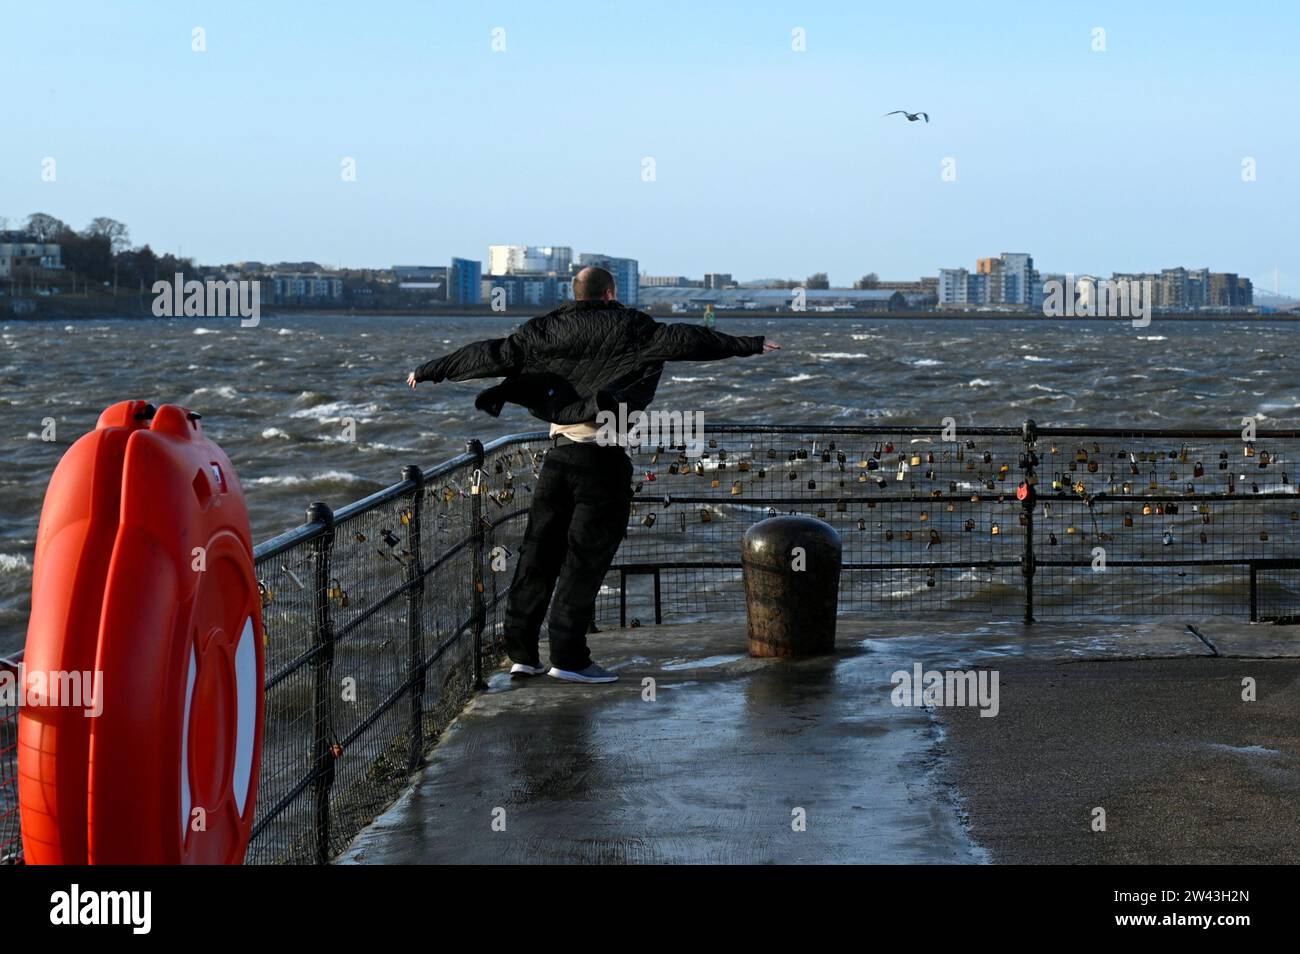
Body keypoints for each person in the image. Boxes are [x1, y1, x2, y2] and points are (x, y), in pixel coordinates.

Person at [407, 266, 779, 684]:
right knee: (584, 560)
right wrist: (749, 344)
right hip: (603, 460)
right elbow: (688, 339)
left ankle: (523, 655)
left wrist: (430, 369)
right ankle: (568, 658)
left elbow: (489, 354)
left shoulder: (543, 330)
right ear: (611, 292)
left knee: (537, 557)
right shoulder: (634, 327)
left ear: (575, 292)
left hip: (558, 459)